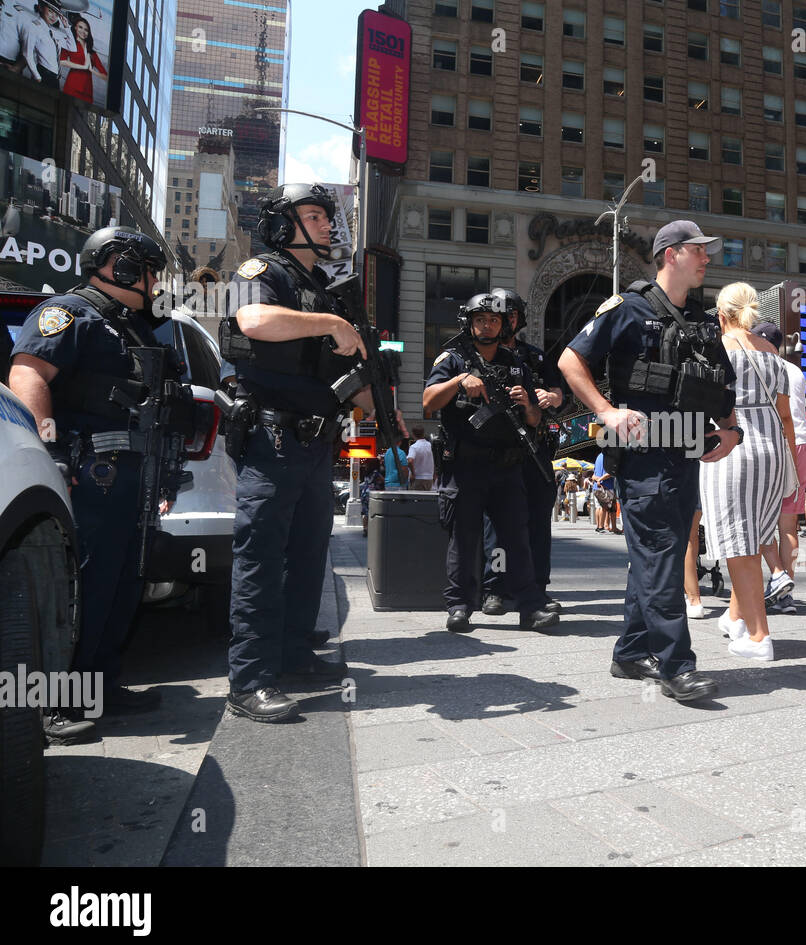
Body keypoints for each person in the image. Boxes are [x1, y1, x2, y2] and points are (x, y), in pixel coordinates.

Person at [223, 182, 397, 723]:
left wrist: (380, 395)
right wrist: (333, 325)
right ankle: (248, 680)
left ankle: (295, 655)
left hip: (318, 441)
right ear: (283, 223)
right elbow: (253, 322)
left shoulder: (322, 287)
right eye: (315, 215)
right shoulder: (261, 273)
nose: (327, 225)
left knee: (306, 557)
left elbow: (345, 382)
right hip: (271, 438)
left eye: (327, 216)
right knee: (260, 558)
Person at [8, 227, 187, 743]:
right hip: (92, 471)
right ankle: (53, 704)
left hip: (134, 473)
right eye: (149, 271)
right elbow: (28, 375)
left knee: (122, 580)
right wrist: (49, 454)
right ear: (122, 267)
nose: (156, 283)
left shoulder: (133, 328)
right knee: (81, 586)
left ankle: (99, 686)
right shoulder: (69, 311)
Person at [558, 219, 741, 702]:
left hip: (686, 456)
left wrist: (732, 429)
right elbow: (570, 361)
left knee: (655, 558)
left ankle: (630, 651)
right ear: (670, 254)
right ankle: (676, 666)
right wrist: (605, 411)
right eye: (698, 250)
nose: (707, 258)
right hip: (643, 459)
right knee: (662, 558)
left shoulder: (702, 320)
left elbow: (722, 386)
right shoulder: (627, 308)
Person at [422, 293, 558, 634]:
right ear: (470, 323)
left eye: (494, 320)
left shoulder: (516, 364)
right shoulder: (453, 359)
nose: (487, 325)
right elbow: (427, 402)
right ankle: (459, 606)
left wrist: (527, 403)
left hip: (507, 467)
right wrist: (458, 382)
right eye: (481, 319)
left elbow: (534, 419)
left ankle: (529, 607)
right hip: (466, 466)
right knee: (464, 539)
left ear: (504, 325)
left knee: (517, 538)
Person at [700, 283, 796, 662]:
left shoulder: (718, 348)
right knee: (753, 540)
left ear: (721, 315)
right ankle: (737, 619)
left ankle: (759, 637)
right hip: (773, 451)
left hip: (734, 447)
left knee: (738, 546)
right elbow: (786, 415)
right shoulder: (772, 351)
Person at [482, 288, 565, 615]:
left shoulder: (536, 357)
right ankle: (495, 588)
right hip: (495, 449)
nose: (509, 319)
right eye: (503, 314)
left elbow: (560, 393)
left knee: (538, 522)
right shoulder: (480, 354)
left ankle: (536, 587)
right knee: (496, 525)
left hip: (535, 448)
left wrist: (552, 396)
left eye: (514, 313)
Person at [754, 321, 806, 616]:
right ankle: (786, 593)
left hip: (775, 443)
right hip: (800, 443)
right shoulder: (796, 371)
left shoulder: (761, 366)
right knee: (790, 526)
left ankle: (777, 577)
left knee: (759, 519)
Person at [19, 1, 72, 88]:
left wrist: (67, 27)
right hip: (43, 74)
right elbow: (27, 53)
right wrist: (37, 77)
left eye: (57, 14)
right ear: (40, 7)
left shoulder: (51, 32)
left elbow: (72, 47)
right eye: (50, 11)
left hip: (55, 78)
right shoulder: (34, 26)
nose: (53, 17)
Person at [58, 12, 105, 103]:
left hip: (87, 92)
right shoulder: (71, 44)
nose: (83, 31)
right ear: (75, 28)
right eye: (80, 27)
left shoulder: (91, 52)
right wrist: (82, 67)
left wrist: (92, 70)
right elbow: (61, 60)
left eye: (86, 29)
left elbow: (105, 75)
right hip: (72, 88)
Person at [408, 424, 435, 490]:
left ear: (413, 434)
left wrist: (413, 474)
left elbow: (410, 460)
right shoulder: (429, 445)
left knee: (415, 499)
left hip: (418, 478)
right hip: (429, 478)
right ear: (423, 434)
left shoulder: (414, 447)